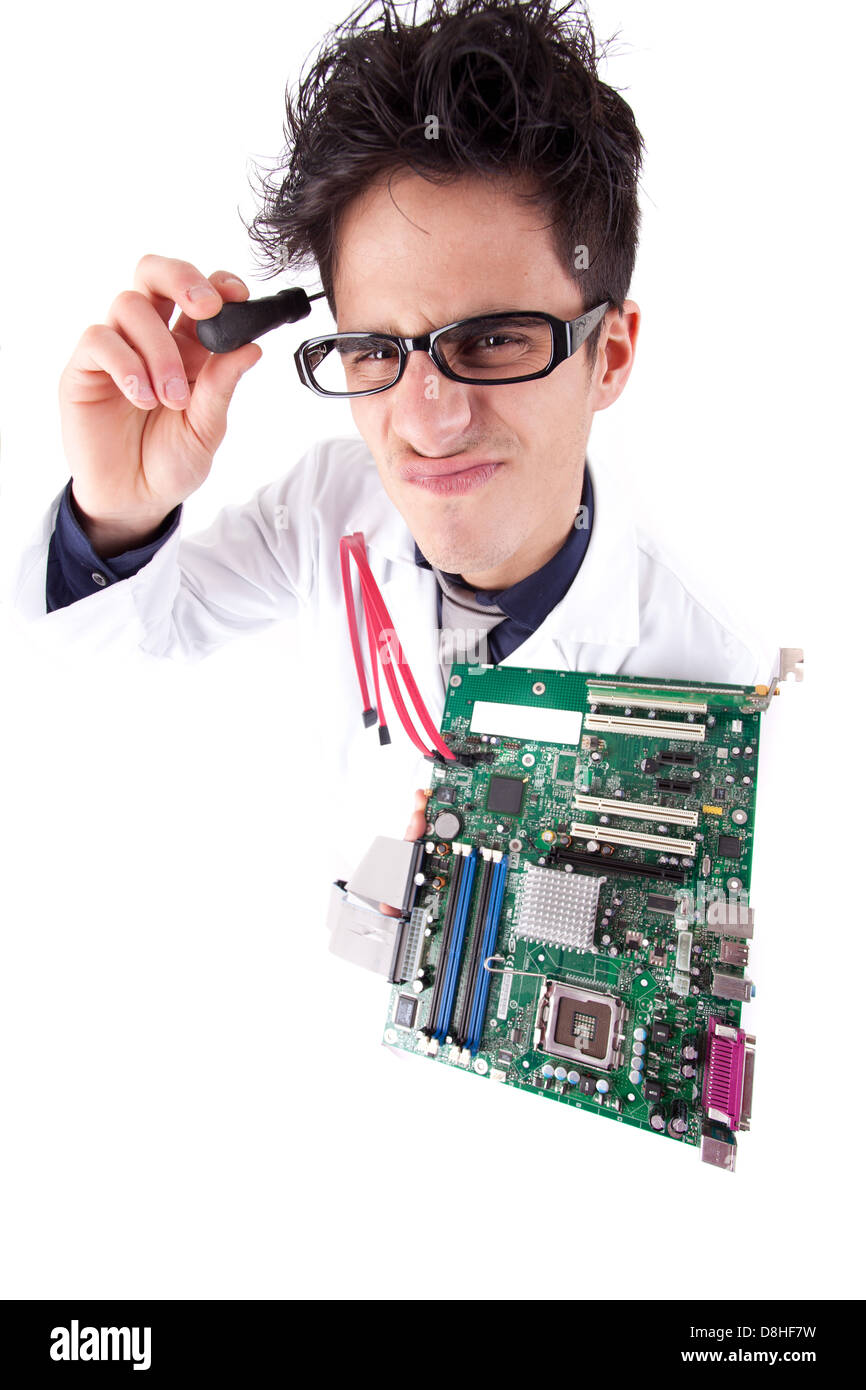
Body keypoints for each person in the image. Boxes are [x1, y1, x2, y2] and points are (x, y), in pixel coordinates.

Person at [9, 0, 776, 912]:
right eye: (375, 348)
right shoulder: (331, 503)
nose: (428, 420)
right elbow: (99, 671)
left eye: (494, 340)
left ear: (608, 355)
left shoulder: (713, 671)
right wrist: (117, 508)